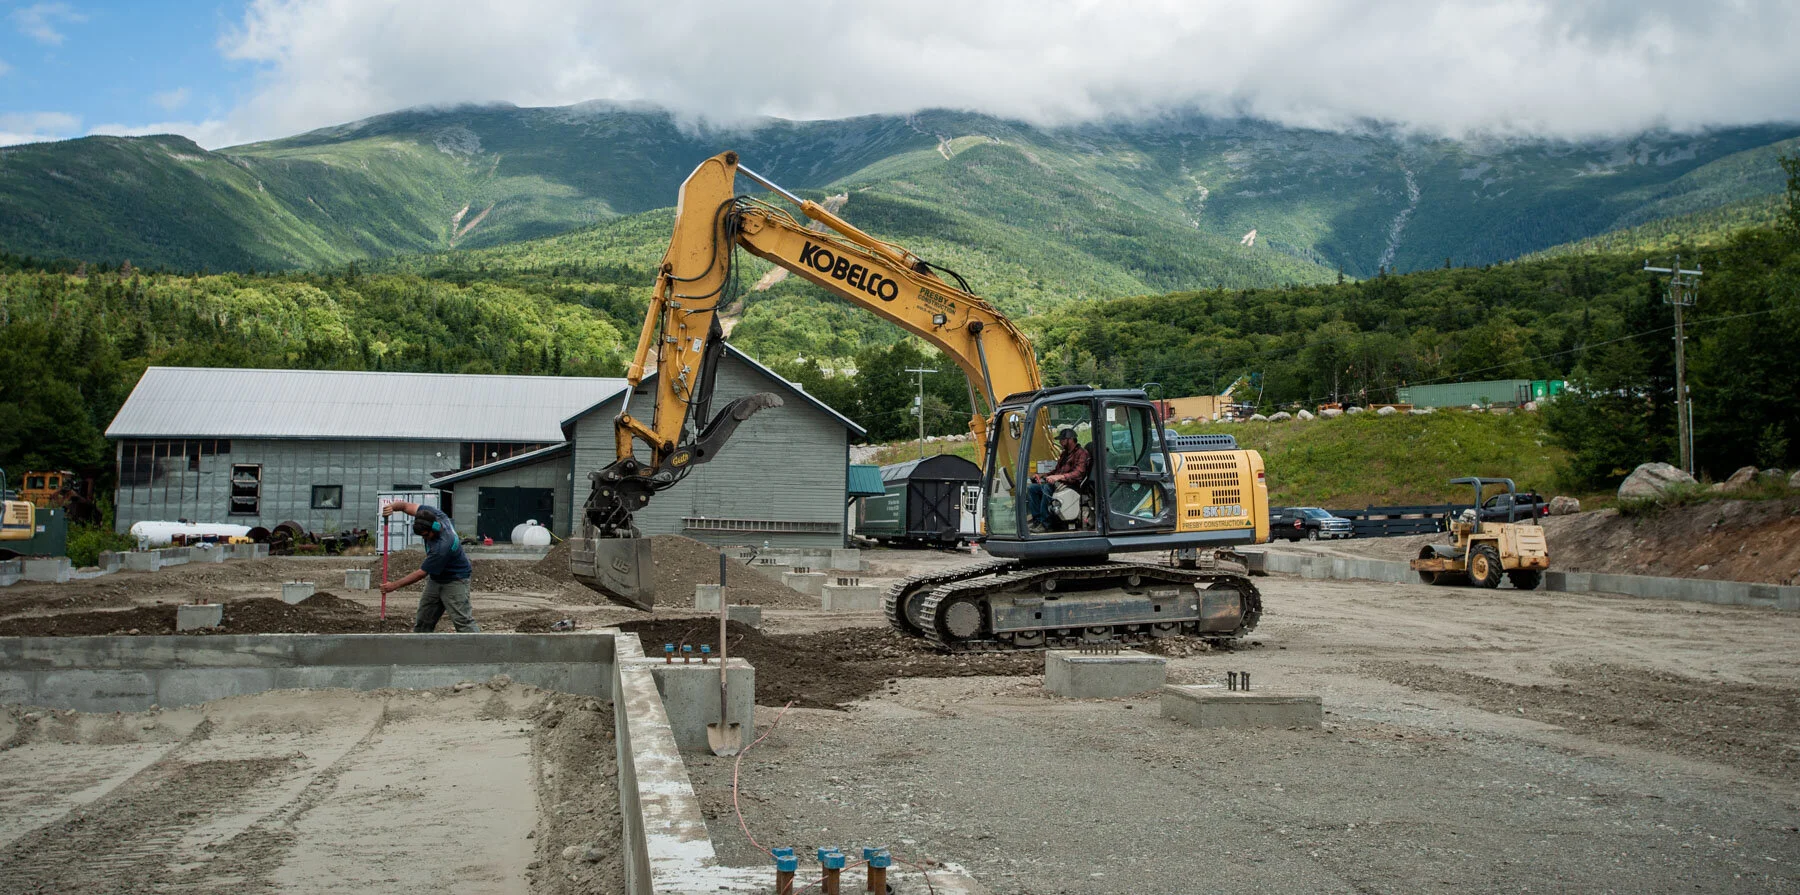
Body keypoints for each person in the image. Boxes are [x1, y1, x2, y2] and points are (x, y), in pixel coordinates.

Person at [379, 500, 478, 633]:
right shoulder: (435, 515)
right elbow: (405, 506)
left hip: (456, 579)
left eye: (426, 535)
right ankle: (420, 650)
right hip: (436, 578)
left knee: (463, 623)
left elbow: (421, 573)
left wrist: (394, 586)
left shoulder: (442, 547)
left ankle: (478, 650)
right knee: (423, 621)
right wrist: (391, 507)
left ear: (434, 528)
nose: (426, 539)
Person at [1027, 428, 1090, 531]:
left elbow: (1079, 473)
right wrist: (1042, 475)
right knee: (1033, 488)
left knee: (1047, 488)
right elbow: (1056, 471)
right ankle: (1037, 521)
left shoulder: (1081, 453)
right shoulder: (1065, 454)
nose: (1060, 442)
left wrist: (1059, 477)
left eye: (1062, 439)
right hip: (1060, 484)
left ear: (1070, 439)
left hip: (1072, 485)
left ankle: (1046, 524)